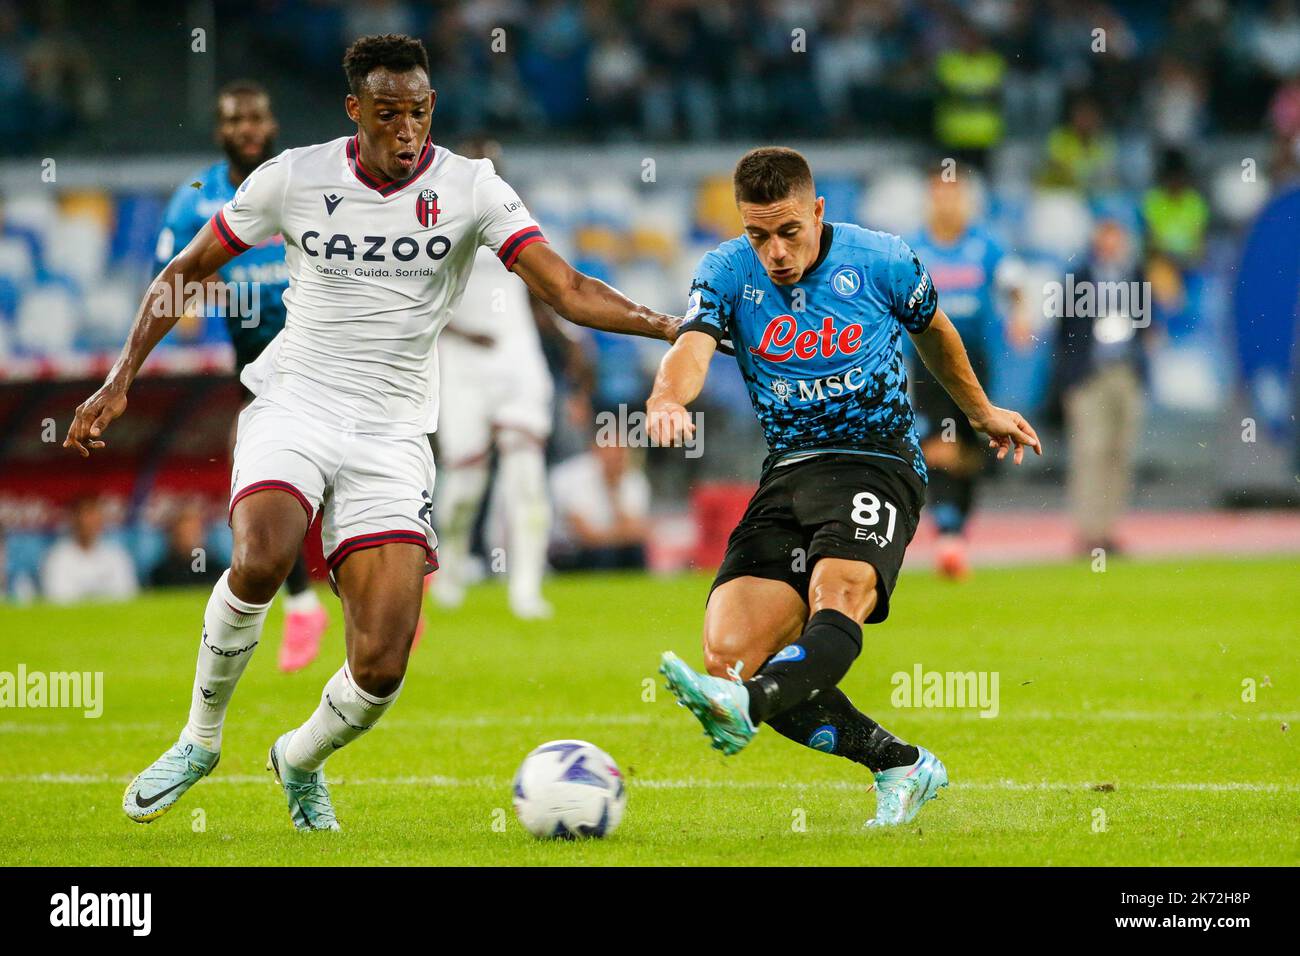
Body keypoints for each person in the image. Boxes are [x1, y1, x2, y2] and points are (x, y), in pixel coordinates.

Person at [63, 33, 679, 832]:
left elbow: (564, 287)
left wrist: (670, 325)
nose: (406, 130)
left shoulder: (472, 188)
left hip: (393, 435)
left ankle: (300, 758)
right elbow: (186, 269)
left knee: (382, 664)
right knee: (262, 554)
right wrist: (120, 379)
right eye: (388, 114)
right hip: (297, 402)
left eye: (419, 112)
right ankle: (199, 740)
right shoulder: (296, 177)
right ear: (355, 110)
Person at [648, 147, 1040, 827]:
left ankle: (750, 707)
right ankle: (901, 764)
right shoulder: (723, 271)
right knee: (729, 657)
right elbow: (693, 344)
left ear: (818, 210)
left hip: (877, 461)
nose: (773, 251)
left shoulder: (882, 259)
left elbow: (937, 333)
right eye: (757, 234)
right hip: (791, 468)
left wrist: (980, 411)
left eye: (788, 231)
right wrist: (665, 399)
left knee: (841, 593)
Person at [154, 80, 328, 673]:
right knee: (271, 476)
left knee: (282, 465)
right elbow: (174, 294)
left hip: (321, 345)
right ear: (220, 130)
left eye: (256, 117)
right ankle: (315, 603)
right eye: (235, 119)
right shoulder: (196, 199)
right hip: (255, 361)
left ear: (272, 121)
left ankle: (325, 601)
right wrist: (207, 287)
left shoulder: (302, 181)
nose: (248, 128)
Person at [431, 138, 556, 620]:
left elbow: (543, 286)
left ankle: (526, 587)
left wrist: (569, 340)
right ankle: (452, 565)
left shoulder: (517, 217)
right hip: (461, 362)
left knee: (525, 476)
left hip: (516, 356)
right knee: (464, 484)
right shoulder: (433, 223)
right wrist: (463, 331)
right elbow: (420, 301)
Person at [907, 172, 1029, 578]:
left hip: (973, 359)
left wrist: (1019, 314)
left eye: (954, 197)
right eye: (940, 197)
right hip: (928, 360)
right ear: (929, 201)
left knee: (974, 445)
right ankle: (947, 533)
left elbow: (1013, 281)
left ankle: (956, 528)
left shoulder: (985, 243)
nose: (947, 205)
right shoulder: (914, 247)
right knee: (939, 443)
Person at [1054, 218, 1151, 555]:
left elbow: (1146, 321)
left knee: (1120, 452)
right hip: (1090, 376)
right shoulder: (1079, 275)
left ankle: (1109, 528)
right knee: (1089, 452)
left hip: (1124, 372)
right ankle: (1088, 530)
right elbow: (1063, 330)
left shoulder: (1133, 272)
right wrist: (1070, 378)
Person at [548, 439, 649, 572]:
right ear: (596, 451)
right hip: (573, 550)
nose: (616, 457)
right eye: (611, 450)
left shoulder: (634, 479)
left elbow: (636, 531)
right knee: (605, 554)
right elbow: (584, 534)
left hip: (608, 545)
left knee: (635, 551)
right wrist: (619, 535)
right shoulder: (573, 477)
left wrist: (614, 491)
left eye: (621, 451)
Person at [40, 495, 138, 604]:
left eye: (96, 516)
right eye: (87, 516)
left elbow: (127, 596)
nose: (91, 522)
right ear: (74, 519)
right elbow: (57, 600)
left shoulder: (116, 555)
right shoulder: (57, 557)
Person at [148, 501, 223, 588]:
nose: (191, 537)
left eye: (195, 531)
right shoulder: (161, 573)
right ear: (175, 534)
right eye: (186, 531)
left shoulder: (215, 571)